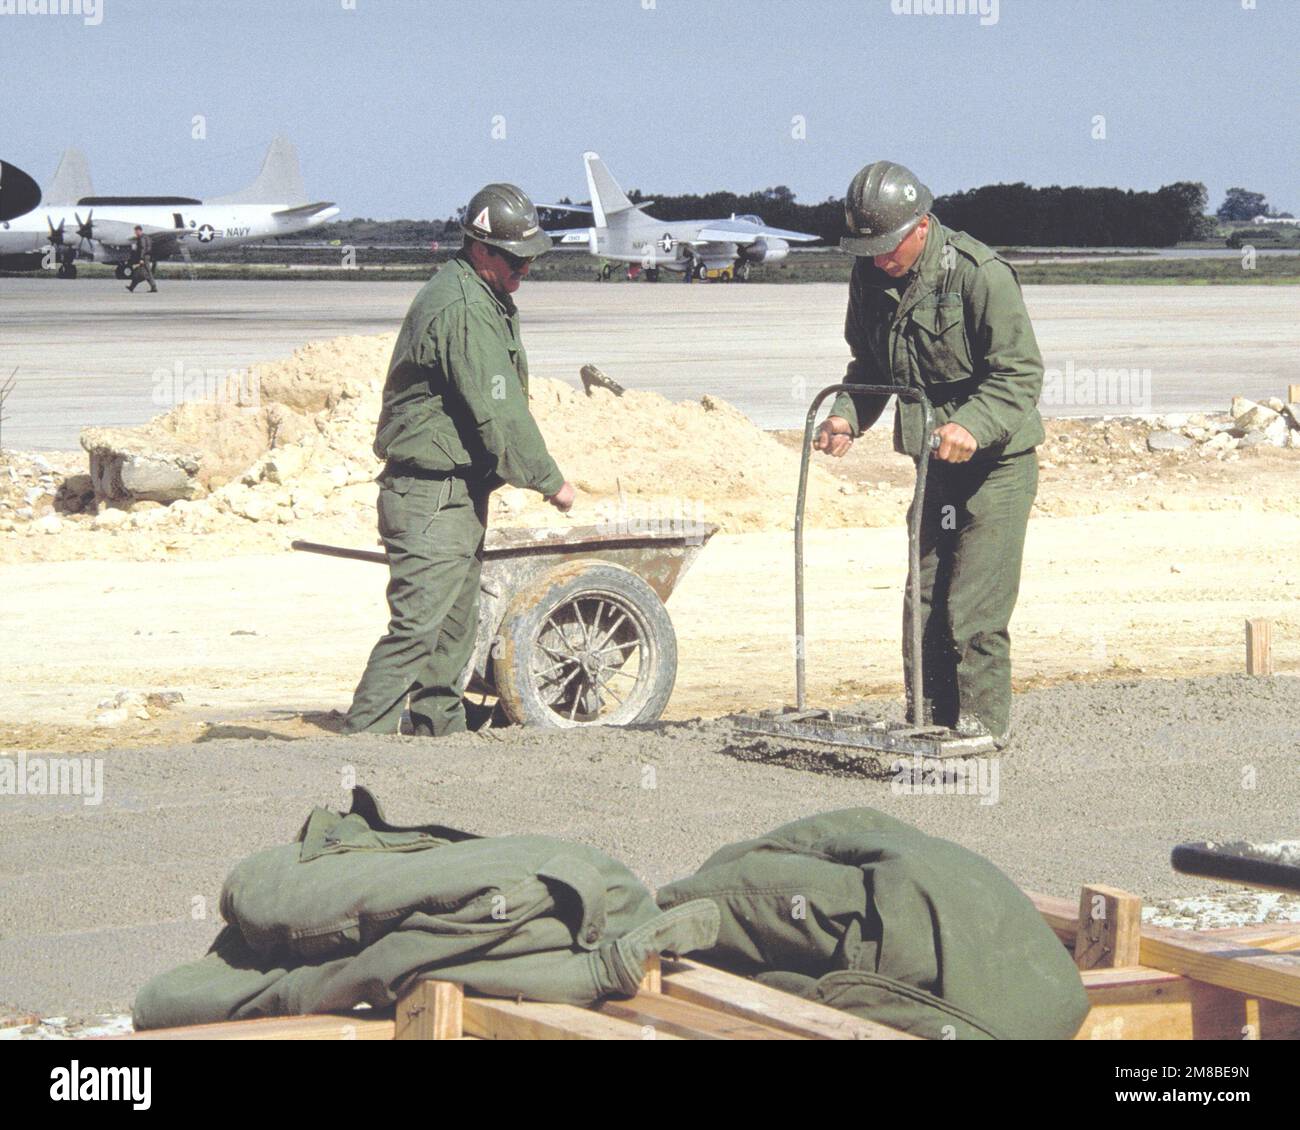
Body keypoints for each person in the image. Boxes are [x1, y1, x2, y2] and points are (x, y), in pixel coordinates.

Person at [816, 161, 1044, 749]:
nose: (879, 258)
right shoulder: (870, 275)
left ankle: (977, 734)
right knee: (923, 598)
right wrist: (848, 414)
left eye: (888, 246)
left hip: (996, 466)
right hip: (933, 462)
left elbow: (1019, 375)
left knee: (971, 609)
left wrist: (971, 424)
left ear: (921, 224)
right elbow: (868, 364)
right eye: (867, 248)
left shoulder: (978, 274)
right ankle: (927, 722)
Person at [343, 183, 575, 736]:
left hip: (454, 493)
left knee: (453, 627)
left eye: (531, 258)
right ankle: (359, 744)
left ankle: (437, 732)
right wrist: (549, 481)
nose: (525, 269)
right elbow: (499, 412)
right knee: (418, 628)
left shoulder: (481, 294)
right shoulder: (464, 307)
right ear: (480, 248)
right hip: (428, 496)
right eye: (515, 258)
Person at [126, 226, 157, 292]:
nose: (135, 233)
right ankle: (132, 287)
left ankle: (153, 287)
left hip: (144, 257)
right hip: (147, 256)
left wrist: (141, 258)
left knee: (145, 272)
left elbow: (143, 248)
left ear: (139, 230)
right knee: (140, 272)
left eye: (136, 231)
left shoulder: (142, 238)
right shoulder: (146, 237)